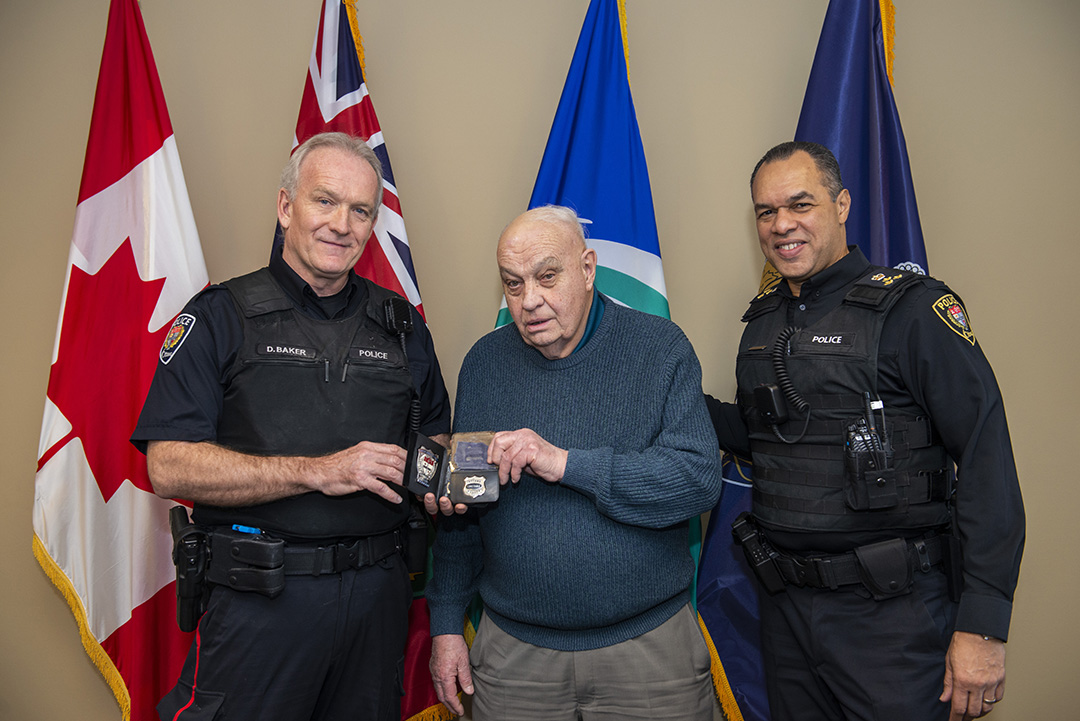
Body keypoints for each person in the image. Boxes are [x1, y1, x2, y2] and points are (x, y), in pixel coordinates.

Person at [131, 132, 451, 721]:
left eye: (361, 211)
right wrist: (316, 472)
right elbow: (167, 463)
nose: (342, 225)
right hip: (260, 602)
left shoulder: (403, 327)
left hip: (375, 604)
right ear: (286, 207)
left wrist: (464, 474)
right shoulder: (218, 318)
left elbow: (435, 445)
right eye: (325, 201)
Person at [707, 141, 1024, 721]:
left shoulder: (913, 311)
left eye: (800, 205)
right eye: (765, 212)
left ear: (842, 203)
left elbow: (985, 456)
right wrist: (659, 389)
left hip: (891, 620)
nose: (782, 225)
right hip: (785, 613)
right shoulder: (763, 322)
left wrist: (983, 624)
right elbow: (765, 444)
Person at [423, 205, 723, 721]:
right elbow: (464, 509)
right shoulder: (483, 363)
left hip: (649, 651)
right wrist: (447, 622)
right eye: (513, 285)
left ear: (587, 268)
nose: (530, 301)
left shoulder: (659, 348)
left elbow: (696, 481)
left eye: (547, 276)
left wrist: (564, 463)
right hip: (514, 658)